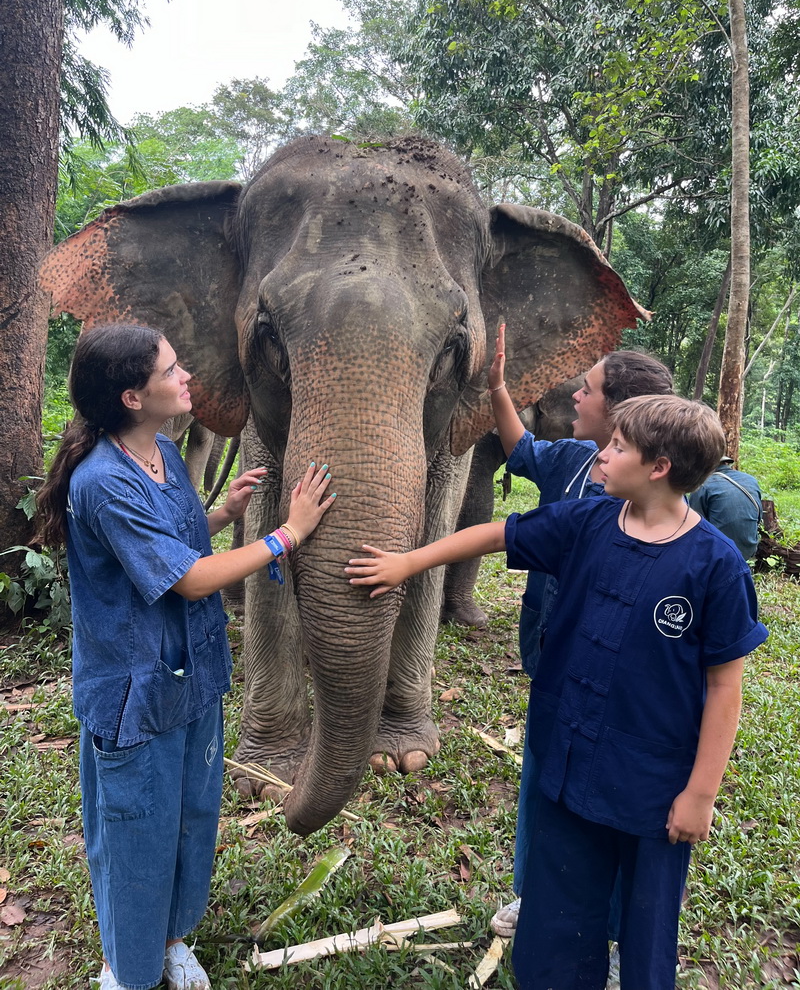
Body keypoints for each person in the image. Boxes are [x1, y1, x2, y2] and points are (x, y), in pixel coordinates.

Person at [346, 394, 767, 990]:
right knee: (556, 915)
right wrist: (407, 564)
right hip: (568, 762)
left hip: (652, 785)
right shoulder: (588, 522)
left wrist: (701, 794)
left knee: (646, 929)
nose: (602, 454)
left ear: (659, 467)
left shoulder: (716, 566)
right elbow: (497, 535)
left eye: (618, 446)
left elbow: (726, 687)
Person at [35, 324, 335, 990]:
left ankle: (170, 938)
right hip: (134, 694)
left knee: (190, 819)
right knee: (134, 833)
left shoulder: (163, 456)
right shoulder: (102, 481)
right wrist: (289, 533)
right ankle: (128, 969)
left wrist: (222, 513)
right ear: (133, 397)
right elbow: (191, 578)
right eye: (172, 369)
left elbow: (176, 541)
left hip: (190, 677)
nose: (186, 375)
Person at [487, 325, 674, 940]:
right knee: (541, 779)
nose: (575, 396)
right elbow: (520, 450)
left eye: (587, 389)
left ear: (618, 412)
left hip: (617, 683)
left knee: (608, 803)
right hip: (556, 660)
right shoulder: (571, 462)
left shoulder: (649, 505)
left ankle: (612, 931)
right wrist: (497, 389)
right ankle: (531, 894)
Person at [688, 456, 762, 560]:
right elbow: (758, 518)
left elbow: (693, 528)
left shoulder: (702, 485)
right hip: (749, 550)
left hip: (720, 555)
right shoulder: (750, 480)